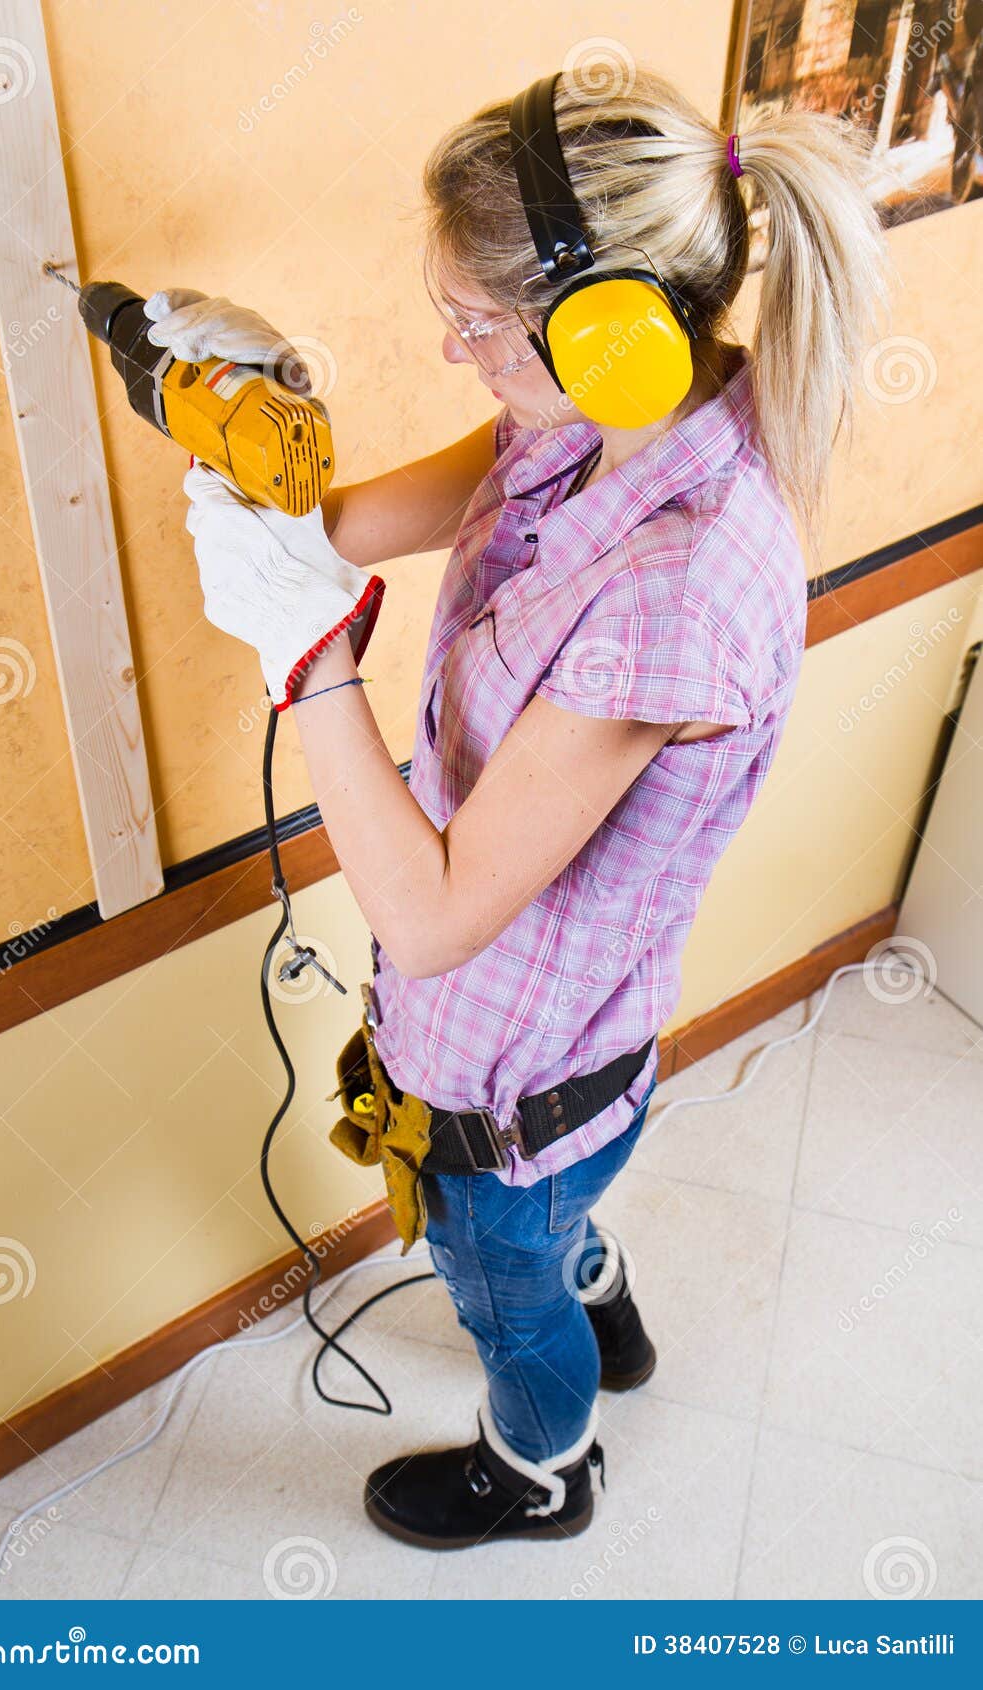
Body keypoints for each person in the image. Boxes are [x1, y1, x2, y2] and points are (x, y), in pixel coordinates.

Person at [148, 60, 888, 1550]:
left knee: (501, 1282)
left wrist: (307, 658)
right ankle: (600, 1304)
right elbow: (352, 523)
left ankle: (542, 1462)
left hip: (512, 1095)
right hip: (576, 1048)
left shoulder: (677, 585)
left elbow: (425, 918)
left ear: (609, 334)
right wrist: (244, 452)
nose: (448, 344)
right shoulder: (601, 423)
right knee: (557, 1230)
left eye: (478, 325)